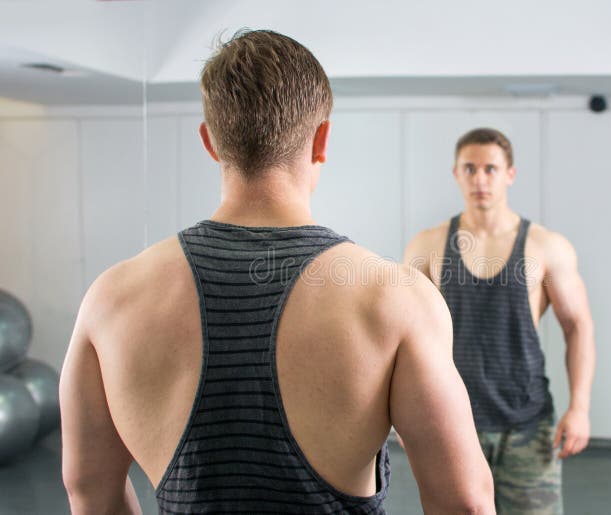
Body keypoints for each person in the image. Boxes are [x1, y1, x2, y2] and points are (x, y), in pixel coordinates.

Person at [60, 29, 494, 515]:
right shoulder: (395, 299)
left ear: (210, 141)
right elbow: (466, 504)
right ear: (322, 139)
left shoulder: (111, 298)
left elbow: (87, 489)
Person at [404, 127, 596, 514]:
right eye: (470, 168)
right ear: (456, 174)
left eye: (491, 169)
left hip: (526, 422)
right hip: (451, 424)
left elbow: (578, 326)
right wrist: (404, 415)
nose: (480, 179)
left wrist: (580, 407)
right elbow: (403, 338)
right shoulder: (427, 245)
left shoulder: (546, 246)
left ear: (510, 174)